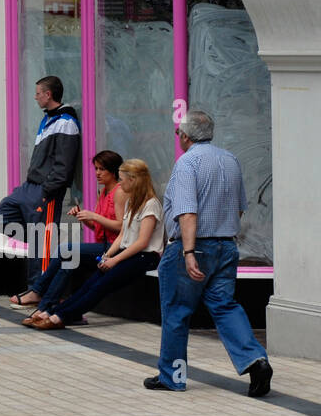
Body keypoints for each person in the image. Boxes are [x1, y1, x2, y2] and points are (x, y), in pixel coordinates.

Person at [146, 110, 273, 397]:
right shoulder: (230, 160)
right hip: (226, 245)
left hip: (193, 246)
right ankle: (256, 360)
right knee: (224, 305)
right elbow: (239, 207)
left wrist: (189, 251)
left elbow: (187, 211)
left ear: (185, 137)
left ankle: (172, 376)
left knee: (177, 312)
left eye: (179, 132)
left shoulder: (187, 163)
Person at [29, 157, 163, 329]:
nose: (120, 185)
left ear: (133, 180)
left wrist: (115, 260)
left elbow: (143, 241)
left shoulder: (150, 204)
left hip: (145, 256)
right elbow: (123, 234)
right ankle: (53, 311)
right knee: (91, 282)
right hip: (127, 253)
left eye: (121, 180)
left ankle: (60, 316)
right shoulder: (132, 202)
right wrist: (107, 256)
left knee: (101, 285)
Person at [0, 76, 81, 307]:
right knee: (1, 216)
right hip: (30, 187)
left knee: (40, 238)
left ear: (48, 94)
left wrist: (48, 190)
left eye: (38, 93)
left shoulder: (65, 122)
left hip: (45, 190)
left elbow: (64, 164)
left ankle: (38, 290)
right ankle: (44, 249)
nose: (35, 97)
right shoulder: (48, 120)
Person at [26, 150, 125, 314]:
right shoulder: (102, 192)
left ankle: (38, 295)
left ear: (113, 170)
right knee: (67, 259)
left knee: (67, 249)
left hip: (115, 248)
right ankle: (46, 305)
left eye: (102, 169)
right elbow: (98, 228)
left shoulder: (119, 192)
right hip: (103, 244)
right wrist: (85, 218)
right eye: (96, 169)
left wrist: (94, 216)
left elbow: (122, 227)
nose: (97, 173)